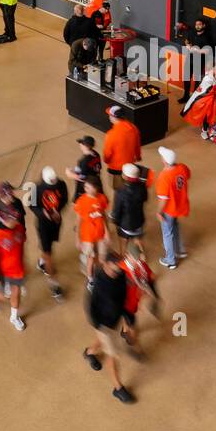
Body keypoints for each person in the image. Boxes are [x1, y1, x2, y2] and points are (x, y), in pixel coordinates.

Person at [83, 253, 136, 404]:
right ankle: (118, 389)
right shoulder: (98, 283)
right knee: (112, 355)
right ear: (104, 265)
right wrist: (97, 325)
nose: (115, 273)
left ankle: (89, 353)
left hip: (115, 319)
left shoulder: (121, 276)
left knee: (103, 342)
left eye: (117, 270)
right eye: (112, 270)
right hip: (102, 323)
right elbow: (90, 306)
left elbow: (124, 298)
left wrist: (128, 319)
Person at [0, 207, 29, 331]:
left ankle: (14, 317)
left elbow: (21, 246)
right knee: (5, 295)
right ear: (4, 220)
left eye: (15, 216)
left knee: (16, 293)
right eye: (12, 218)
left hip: (17, 270)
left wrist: (24, 262)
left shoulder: (19, 228)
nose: (15, 219)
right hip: (4, 272)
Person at [34, 166, 69, 294]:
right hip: (43, 224)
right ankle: (54, 285)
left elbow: (64, 200)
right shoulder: (36, 189)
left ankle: (41, 262)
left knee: (49, 247)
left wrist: (58, 212)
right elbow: (32, 206)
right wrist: (44, 213)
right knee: (49, 253)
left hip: (56, 223)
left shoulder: (61, 184)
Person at [154, 146, 190, 270]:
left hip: (169, 210)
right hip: (180, 205)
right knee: (175, 228)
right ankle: (180, 250)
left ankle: (170, 259)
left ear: (164, 161)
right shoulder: (182, 167)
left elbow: (164, 199)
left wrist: (159, 212)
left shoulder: (163, 177)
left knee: (167, 233)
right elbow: (187, 175)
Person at [75, 175, 110, 279]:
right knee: (91, 258)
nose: (87, 190)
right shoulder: (81, 201)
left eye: (90, 187)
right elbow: (78, 221)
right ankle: (90, 278)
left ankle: (98, 275)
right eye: (86, 187)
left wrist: (107, 232)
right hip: (87, 236)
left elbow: (103, 216)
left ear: (97, 188)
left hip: (101, 233)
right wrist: (77, 238)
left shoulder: (102, 198)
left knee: (102, 258)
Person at [102, 105, 142, 191]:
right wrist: (138, 157)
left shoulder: (111, 134)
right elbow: (137, 146)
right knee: (129, 188)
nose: (108, 116)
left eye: (109, 114)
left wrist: (106, 160)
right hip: (129, 165)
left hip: (116, 168)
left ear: (113, 117)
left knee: (118, 189)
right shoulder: (134, 128)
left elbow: (107, 154)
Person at [110, 162, 148, 251]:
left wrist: (114, 219)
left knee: (123, 240)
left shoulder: (120, 193)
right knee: (137, 238)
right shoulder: (142, 187)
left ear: (125, 177)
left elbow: (117, 211)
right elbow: (145, 198)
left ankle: (123, 255)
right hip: (139, 220)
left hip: (126, 224)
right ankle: (142, 254)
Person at [179, 17, 214, 102]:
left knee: (197, 80)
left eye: (199, 24)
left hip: (199, 61)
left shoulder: (207, 37)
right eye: (196, 25)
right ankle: (186, 96)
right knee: (186, 78)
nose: (197, 26)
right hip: (189, 59)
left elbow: (208, 50)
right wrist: (187, 45)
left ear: (204, 25)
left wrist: (198, 50)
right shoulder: (192, 33)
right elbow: (186, 41)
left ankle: (194, 98)